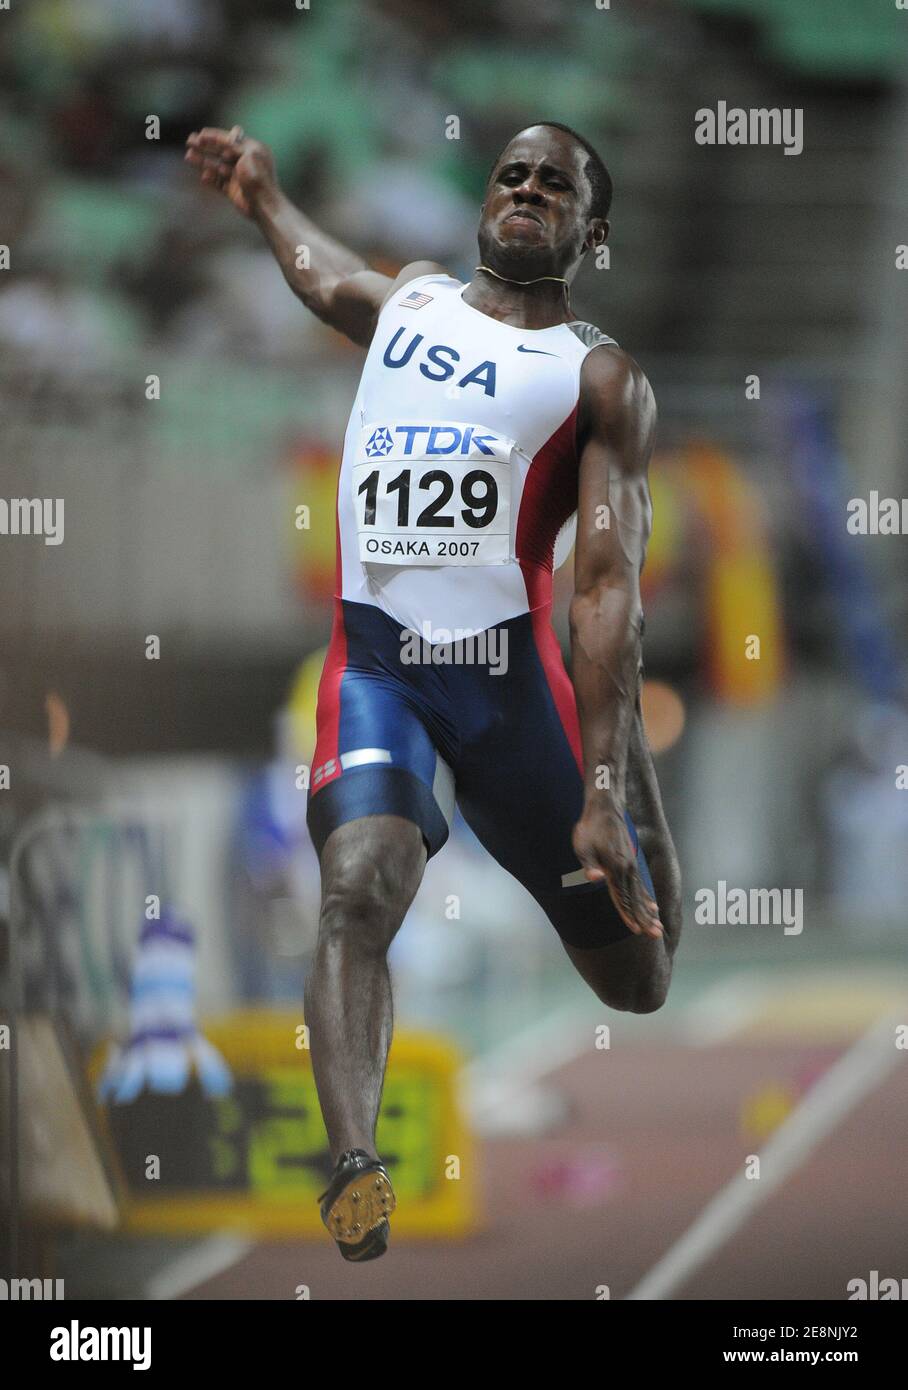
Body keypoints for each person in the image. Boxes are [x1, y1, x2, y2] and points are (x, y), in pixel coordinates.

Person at [186, 119, 682, 1262]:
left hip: (510, 686)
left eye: (553, 186)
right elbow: (324, 279)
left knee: (638, 980)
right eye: (510, 174)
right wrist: (262, 193)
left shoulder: (598, 378)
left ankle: (635, 799)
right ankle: (354, 1162)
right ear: (480, 202)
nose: (525, 190)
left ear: (587, 230)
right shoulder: (410, 302)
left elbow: (604, 591)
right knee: (358, 886)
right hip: (379, 668)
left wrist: (604, 783)